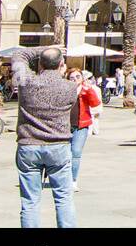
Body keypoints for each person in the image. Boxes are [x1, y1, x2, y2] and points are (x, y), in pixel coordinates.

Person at [11, 46, 77, 228]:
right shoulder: (71, 88)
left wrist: (45, 48)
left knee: (30, 201)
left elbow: (18, 53)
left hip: (28, 145)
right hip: (58, 146)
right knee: (64, 198)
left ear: (40, 63)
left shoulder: (25, 82)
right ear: (62, 65)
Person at [66, 68, 102, 192]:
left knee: (75, 153)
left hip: (81, 126)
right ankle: (63, 178)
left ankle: (73, 180)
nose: (75, 79)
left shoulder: (86, 90)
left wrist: (90, 90)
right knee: (64, 154)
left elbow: (95, 103)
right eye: (72, 77)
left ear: (82, 78)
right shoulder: (65, 90)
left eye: (77, 77)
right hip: (64, 127)